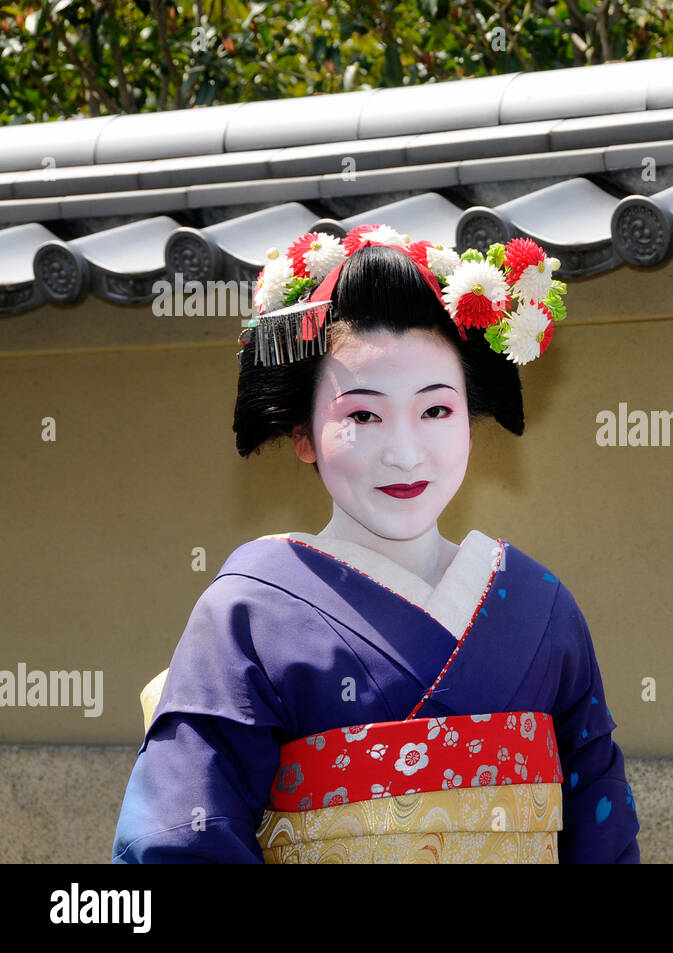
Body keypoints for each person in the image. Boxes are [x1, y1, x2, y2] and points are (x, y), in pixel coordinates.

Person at [113, 227, 639, 863]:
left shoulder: (540, 608)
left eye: (436, 411)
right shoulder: (251, 614)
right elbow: (182, 840)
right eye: (362, 415)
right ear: (302, 432)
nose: (405, 451)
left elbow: (602, 834)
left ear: (471, 421)